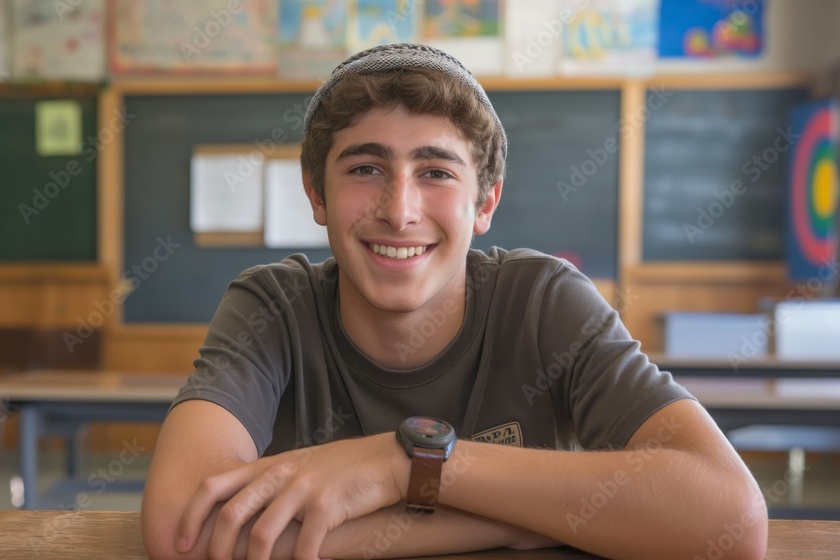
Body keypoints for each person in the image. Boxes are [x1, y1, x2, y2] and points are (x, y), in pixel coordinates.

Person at [141, 43, 767, 560]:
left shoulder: (544, 302)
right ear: (316, 194)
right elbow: (184, 529)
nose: (400, 209)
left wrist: (401, 466)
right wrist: (528, 520)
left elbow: (728, 518)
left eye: (436, 172)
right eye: (364, 168)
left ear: (485, 203)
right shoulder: (273, 305)